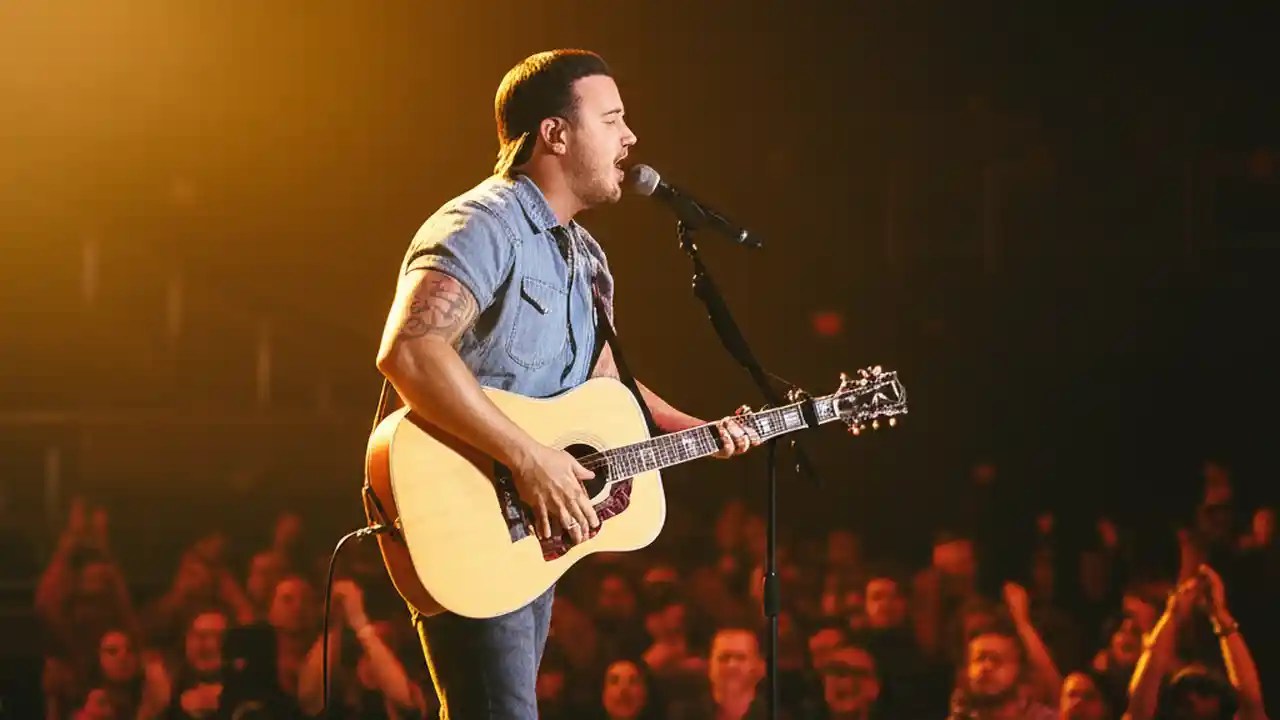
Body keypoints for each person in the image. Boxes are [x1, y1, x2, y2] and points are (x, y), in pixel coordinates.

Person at [374, 48, 762, 718]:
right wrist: (528, 458)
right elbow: (410, 351)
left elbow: (610, 389)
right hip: (466, 506)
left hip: (528, 524)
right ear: (556, 134)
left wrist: (698, 431)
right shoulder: (483, 222)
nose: (630, 138)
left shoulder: (585, 256)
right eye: (612, 119)